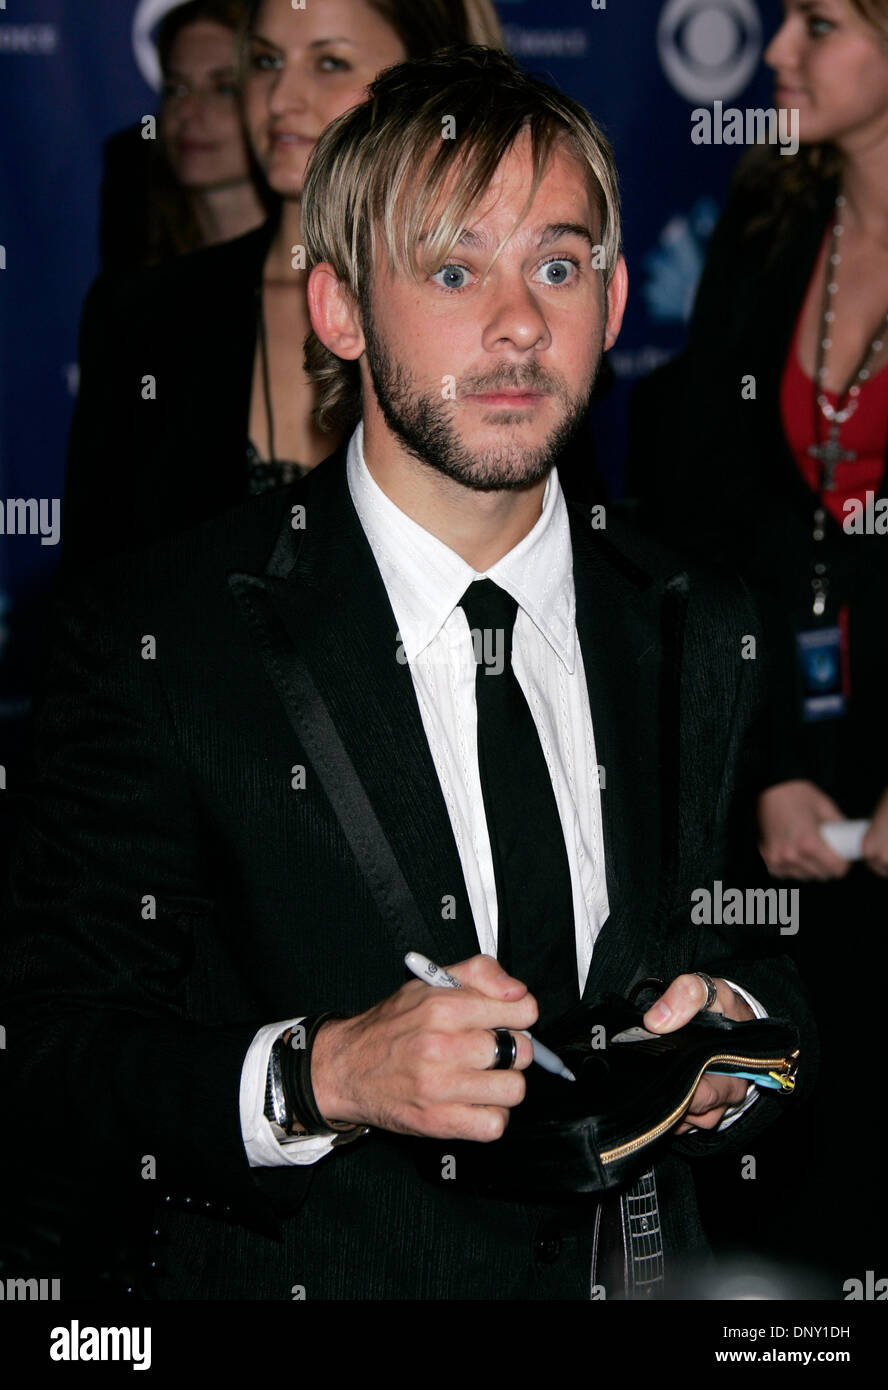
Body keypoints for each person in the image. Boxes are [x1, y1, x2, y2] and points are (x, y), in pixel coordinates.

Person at [2, 46, 814, 1300]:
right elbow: (52, 1057)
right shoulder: (161, 635)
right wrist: (325, 1072)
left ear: (610, 301)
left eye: (559, 263)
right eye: (452, 268)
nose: (518, 321)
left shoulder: (702, 621)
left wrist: (736, 1055)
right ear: (338, 310)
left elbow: (787, 985)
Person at [629, 0, 888, 1279]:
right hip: (784, 750)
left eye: (820, 20)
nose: (776, 51)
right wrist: (774, 761)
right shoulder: (769, 221)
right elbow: (710, 514)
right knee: (789, 1148)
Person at [62, 0, 508, 567]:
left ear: (428, 84)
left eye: (329, 64)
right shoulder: (141, 316)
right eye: (268, 62)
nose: (279, 100)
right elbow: (91, 596)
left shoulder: (501, 316)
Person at [99, 1, 268, 275]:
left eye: (224, 89)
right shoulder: (136, 278)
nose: (187, 112)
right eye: (176, 89)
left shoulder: (314, 278)